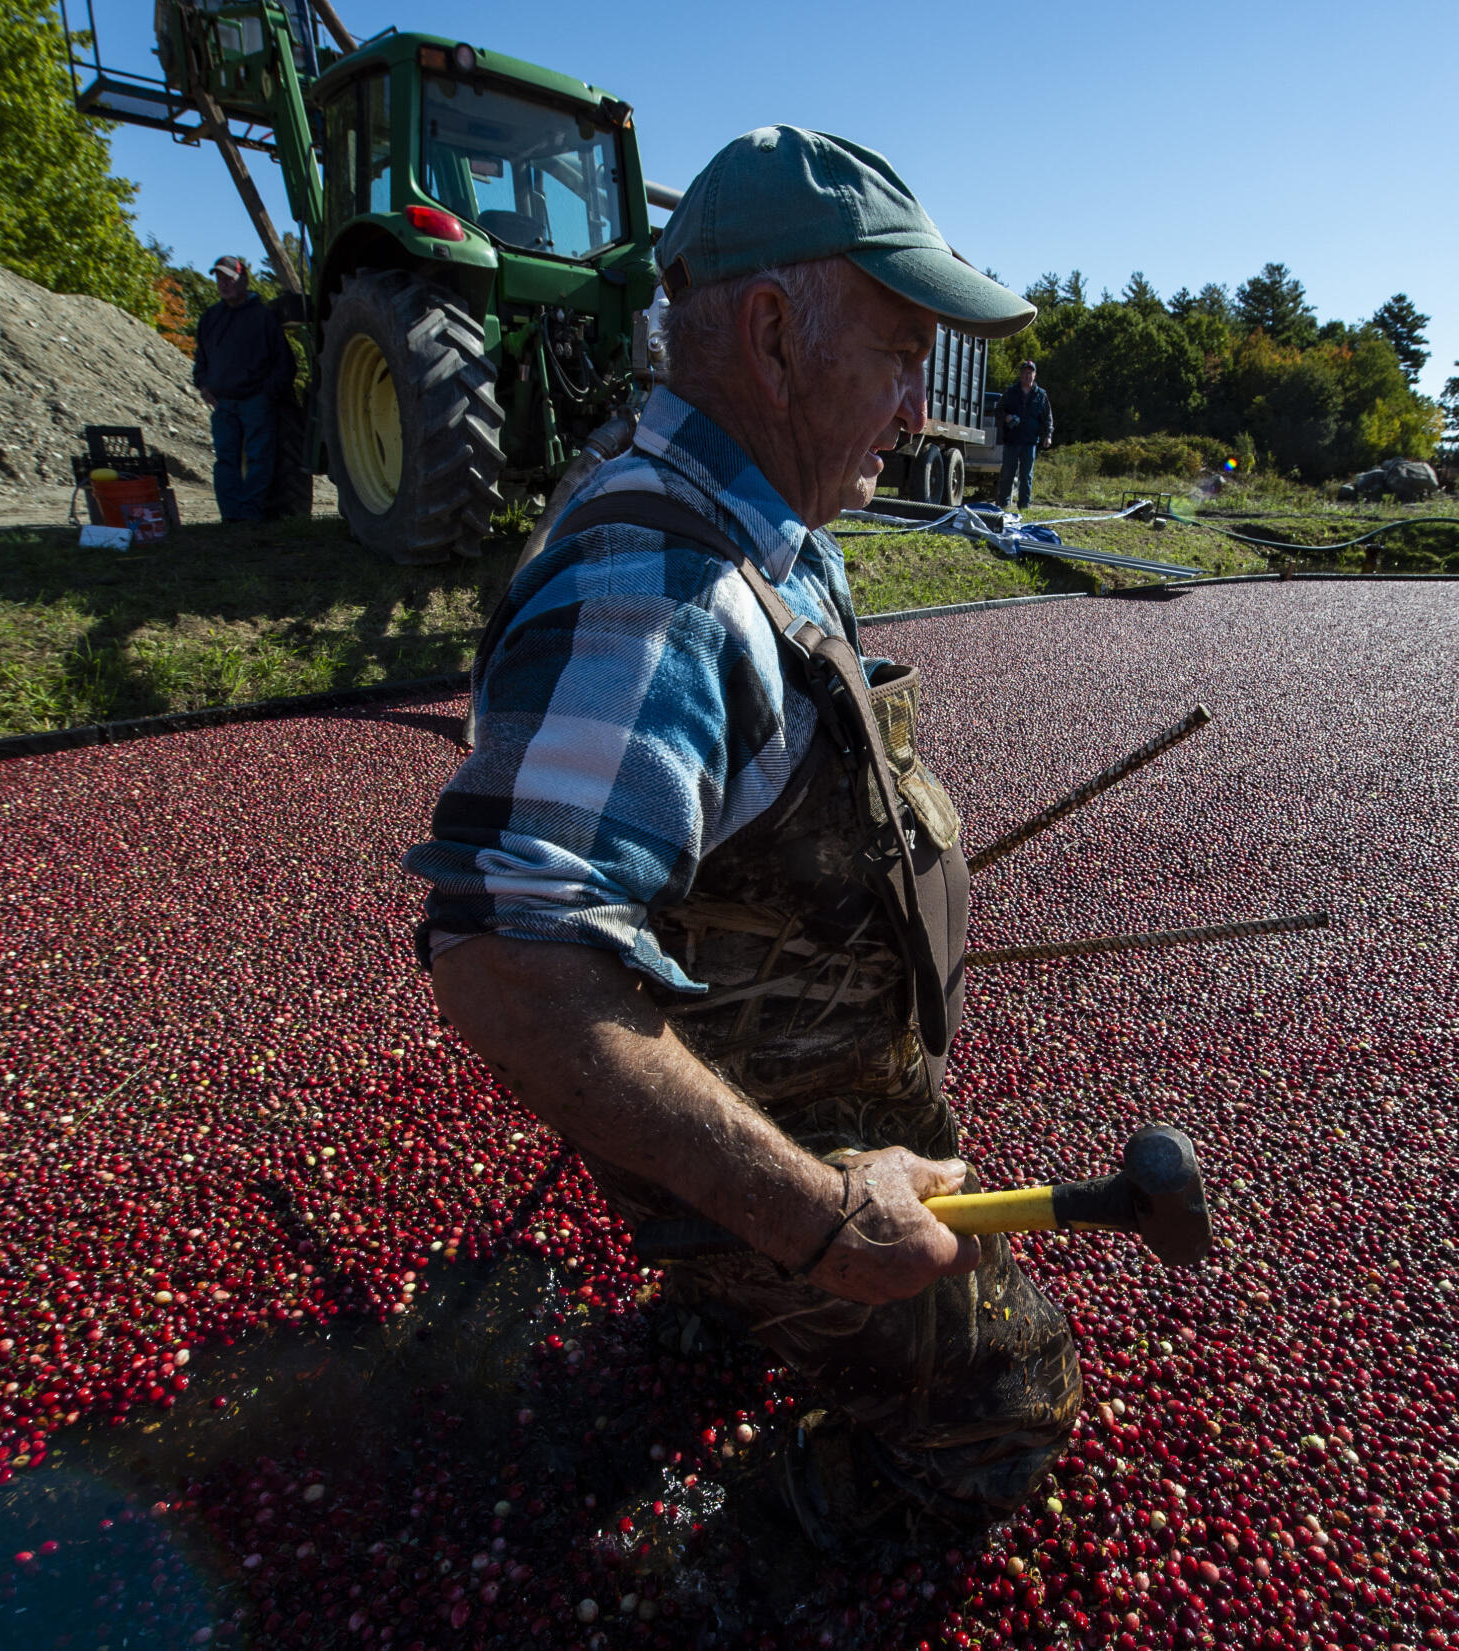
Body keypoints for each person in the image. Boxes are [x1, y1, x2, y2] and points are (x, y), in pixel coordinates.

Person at [403, 126, 1081, 1554]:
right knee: (1006, 1399)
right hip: (774, 1152)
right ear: (773, 332)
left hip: (828, 1092)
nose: (916, 404)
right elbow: (510, 954)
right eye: (899, 353)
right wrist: (811, 1213)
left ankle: (731, 1308)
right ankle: (702, 1568)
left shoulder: (764, 523)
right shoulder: (659, 589)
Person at [193, 255, 294, 523]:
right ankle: (231, 517)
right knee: (226, 461)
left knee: (260, 458)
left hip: (255, 402)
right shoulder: (211, 318)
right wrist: (202, 384)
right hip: (223, 403)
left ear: (243, 279)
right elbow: (200, 358)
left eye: (229, 278)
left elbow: (284, 362)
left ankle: (251, 514)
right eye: (219, 279)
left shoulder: (262, 317)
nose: (223, 284)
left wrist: (266, 393)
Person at [992, 358, 1052, 512]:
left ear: (1035, 375)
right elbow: (998, 410)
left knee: (1026, 476)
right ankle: (1003, 504)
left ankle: (1024, 506)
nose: (1027, 376)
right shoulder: (1011, 392)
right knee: (1007, 473)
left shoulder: (1041, 395)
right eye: (1025, 373)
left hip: (1030, 441)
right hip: (1012, 440)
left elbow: (1047, 417)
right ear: (1020, 374)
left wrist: (1048, 435)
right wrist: (1007, 417)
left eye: (1030, 373)